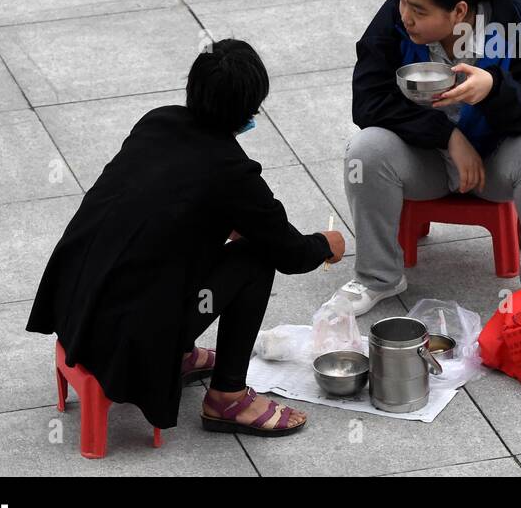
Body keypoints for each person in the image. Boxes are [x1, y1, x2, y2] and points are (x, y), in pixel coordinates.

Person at [26, 40, 346, 437]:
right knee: (255, 259)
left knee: (160, 255)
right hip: (130, 333)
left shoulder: (156, 122)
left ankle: (179, 354)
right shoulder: (233, 174)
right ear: (250, 110)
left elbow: (161, 206)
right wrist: (326, 243)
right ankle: (227, 398)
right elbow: (291, 254)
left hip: (77, 305)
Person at [324, 0, 521, 322]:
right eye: (404, 1)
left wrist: (494, 89)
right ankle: (378, 276)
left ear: (459, 12)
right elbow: (367, 102)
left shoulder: (517, 15)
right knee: (365, 149)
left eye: (419, 10)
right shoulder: (393, 17)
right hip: (425, 162)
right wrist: (447, 137)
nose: (405, 15)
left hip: (496, 162)